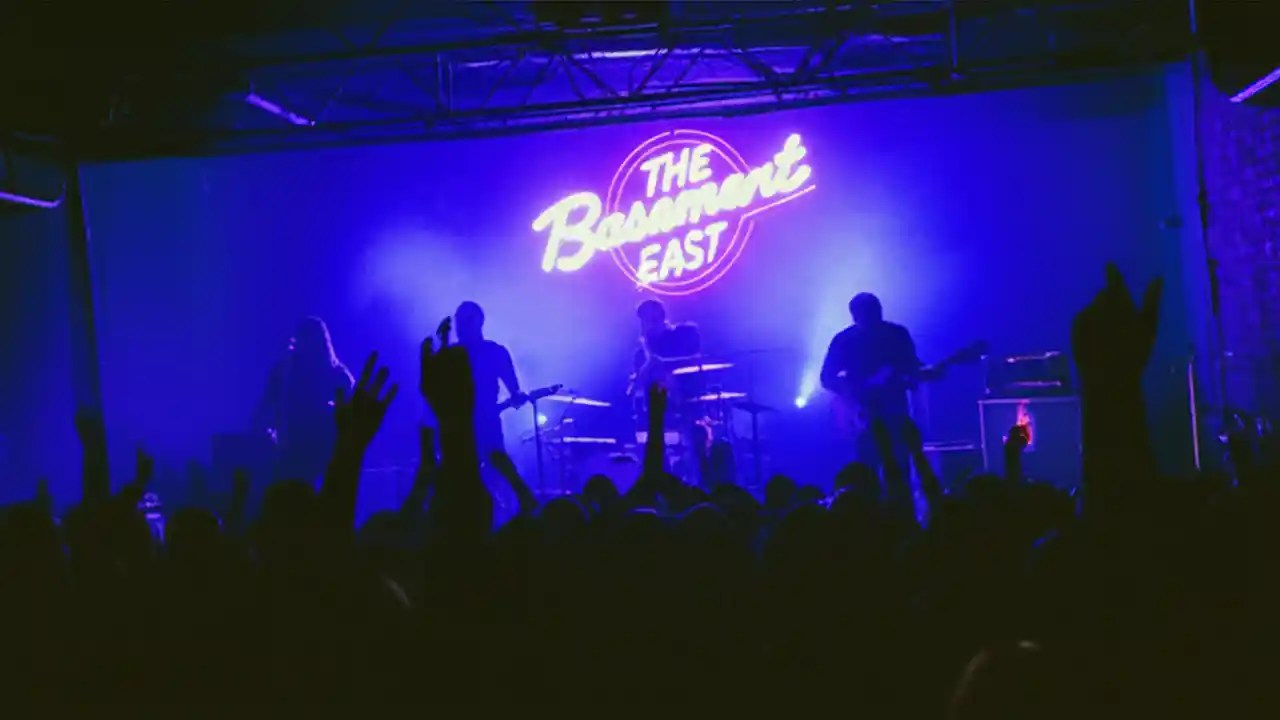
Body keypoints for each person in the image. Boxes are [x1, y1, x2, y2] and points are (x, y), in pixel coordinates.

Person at [820, 293, 921, 503]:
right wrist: (855, 392)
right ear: (856, 316)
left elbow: (912, 366)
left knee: (898, 467)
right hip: (865, 415)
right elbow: (827, 377)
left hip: (894, 412)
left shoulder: (896, 334)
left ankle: (895, 516)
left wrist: (923, 373)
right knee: (870, 469)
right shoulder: (845, 340)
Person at [254, 316, 354, 486]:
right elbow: (265, 407)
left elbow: (350, 407)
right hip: (290, 451)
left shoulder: (334, 373)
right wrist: (263, 433)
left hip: (321, 453)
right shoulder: (282, 371)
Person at [453, 301, 525, 456]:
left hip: (485, 430)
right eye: (458, 321)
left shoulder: (495, 352)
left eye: (466, 320)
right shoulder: (448, 356)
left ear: (479, 322)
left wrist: (517, 396)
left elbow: (515, 390)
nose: (460, 326)